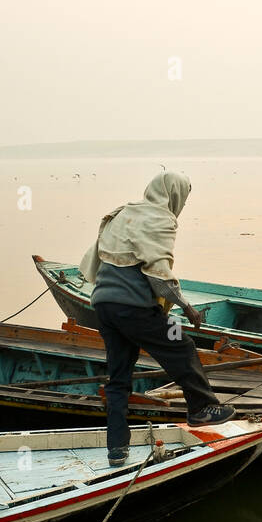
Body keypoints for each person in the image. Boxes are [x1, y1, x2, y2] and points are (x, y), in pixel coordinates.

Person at [80, 171, 234, 466]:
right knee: (182, 345)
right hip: (132, 308)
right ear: (174, 195)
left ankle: (116, 449)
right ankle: (202, 409)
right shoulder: (160, 219)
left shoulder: (123, 213)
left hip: (104, 306)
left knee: (118, 378)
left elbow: (99, 257)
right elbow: (159, 275)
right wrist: (187, 308)